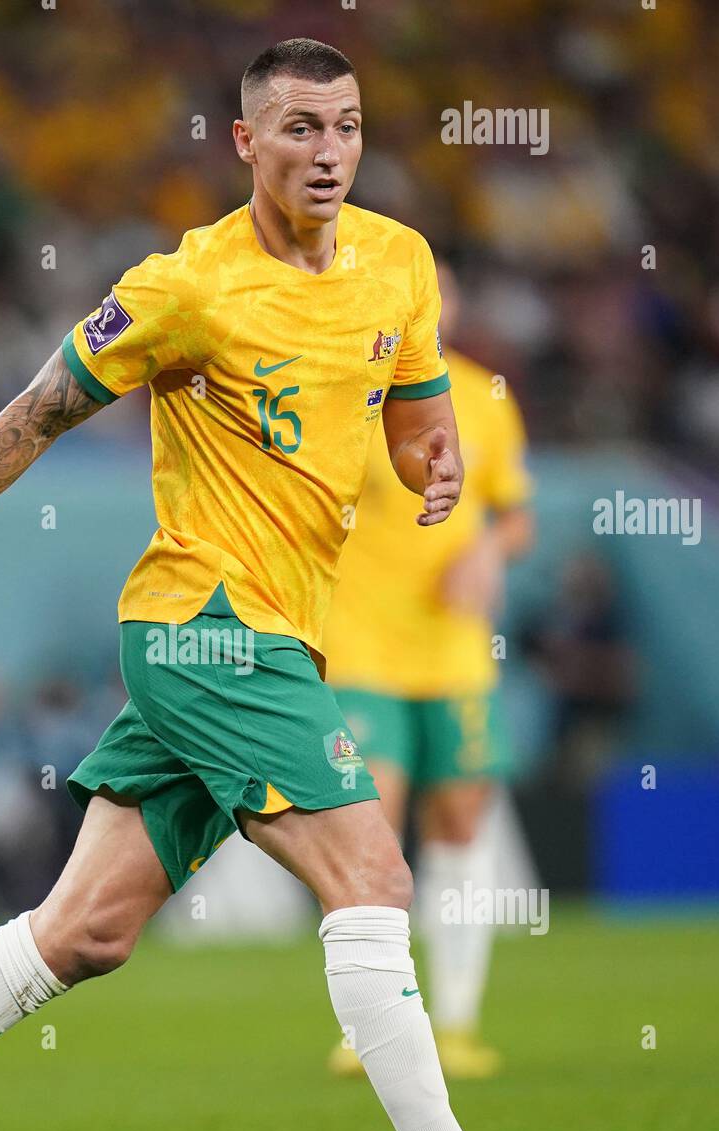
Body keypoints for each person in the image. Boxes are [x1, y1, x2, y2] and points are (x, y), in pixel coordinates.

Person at [0, 38, 616, 1131]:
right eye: (298, 130)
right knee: (372, 873)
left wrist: (428, 470)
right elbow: (26, 418)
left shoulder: (398, 262)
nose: (327, 152)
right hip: (208, 627)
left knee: (86, 929)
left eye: (346, 127)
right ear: (244, 142)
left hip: (272, 638)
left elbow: (415, 422)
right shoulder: (186, 286)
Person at [324, 261, 535, 1081]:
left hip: (454, 653)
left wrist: (488, 550)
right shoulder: (346, 394)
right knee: (368, 830)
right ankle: (371, 1026)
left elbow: (515, 516)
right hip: (361, 649)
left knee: (460, 827)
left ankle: (454, 1022)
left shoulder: (486, 398)